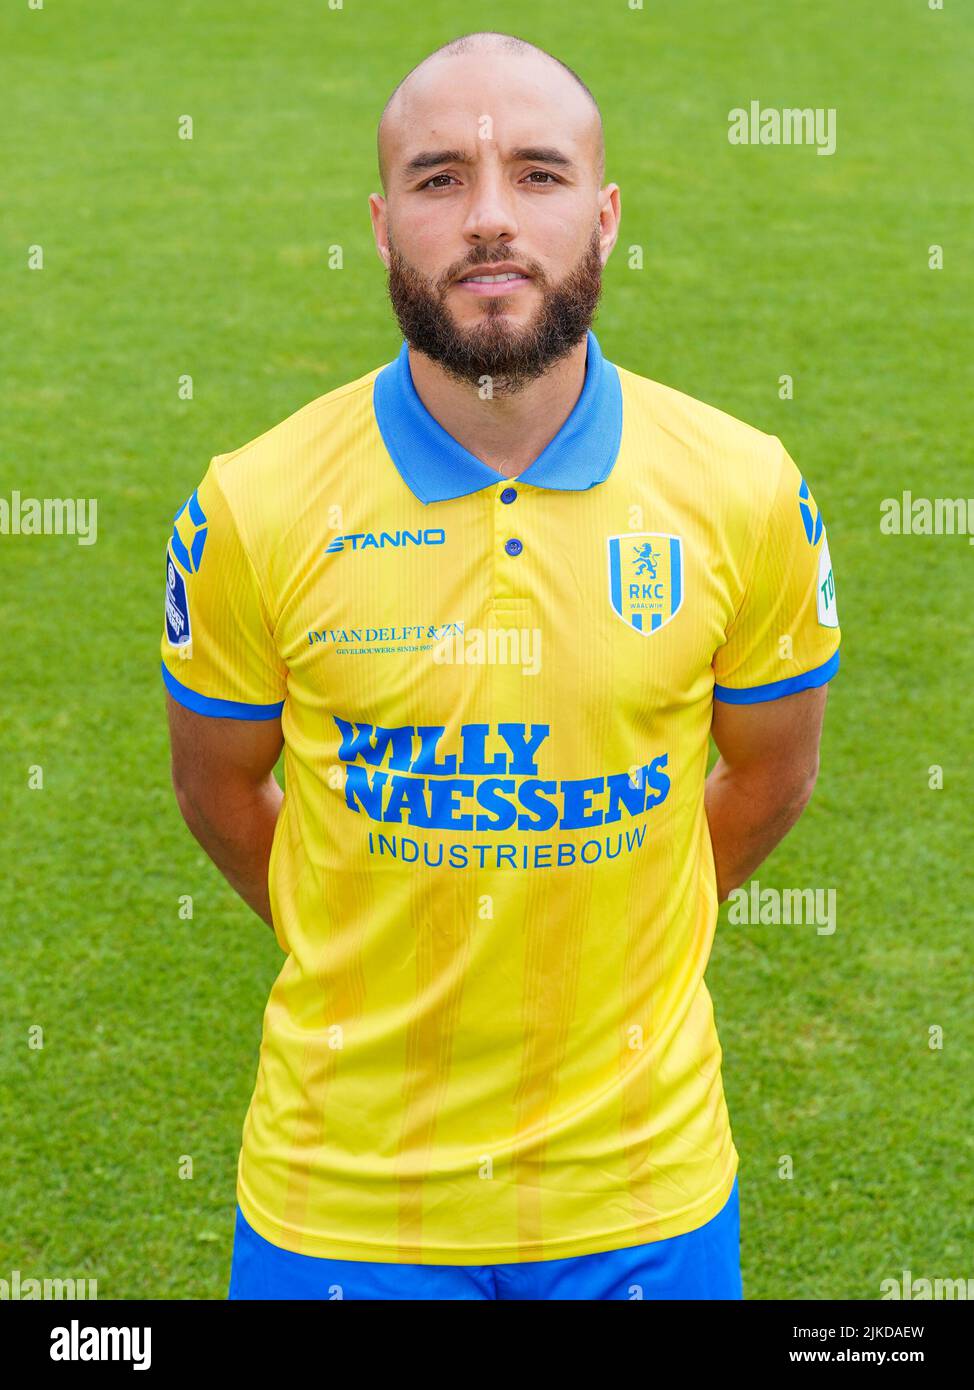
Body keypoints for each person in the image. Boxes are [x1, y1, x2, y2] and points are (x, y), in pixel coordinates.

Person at [160, 31, 841, 1300]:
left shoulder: (744, 490)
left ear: (604, 214)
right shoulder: (255, 504)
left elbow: (768, 778)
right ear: (381, 227)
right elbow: (218, 791)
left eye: (536, 174)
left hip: (642, 1193)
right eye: (437, 179)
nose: (487, 217)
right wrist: (363, 932)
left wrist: (622, 924)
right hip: (342, 1202)